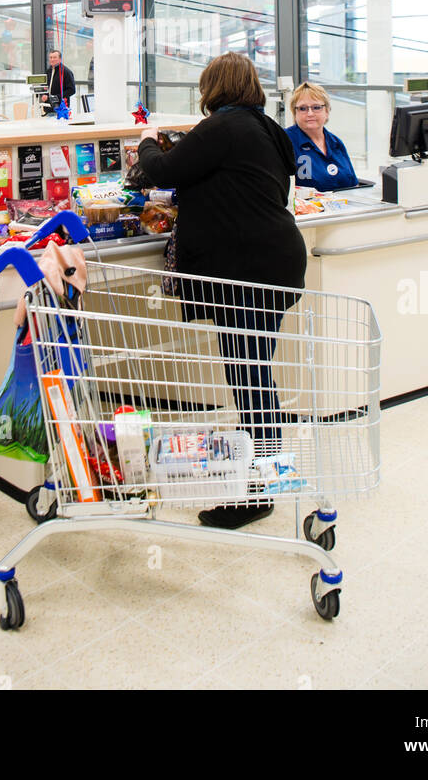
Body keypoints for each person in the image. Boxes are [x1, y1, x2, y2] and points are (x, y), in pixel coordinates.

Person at [137, 51, 306, 531]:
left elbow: (163, 172)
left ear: (214, 89)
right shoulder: (268, 128)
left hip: (247, 272)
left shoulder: (223, 127)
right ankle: (265, 473)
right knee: (255, 374)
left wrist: (148, 141)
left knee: (249, 379)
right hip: (276, 261)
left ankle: (258, 491)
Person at [285, 82, 358, 192]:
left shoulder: (336, 143)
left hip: (343, 207)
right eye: (303, 108)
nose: (310, 113)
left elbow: (353, 184)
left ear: (327, 111)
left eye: (316, 107)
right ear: (294, 113)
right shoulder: (285, 141)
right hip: (305, 208)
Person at [41, 49, 75, 115]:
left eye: (54, 57)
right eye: (51, 57)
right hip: (48, 108)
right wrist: (44, 95)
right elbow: (44, 87)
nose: (52, 59)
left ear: (60, 59)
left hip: (61, 108)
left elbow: (72, 90)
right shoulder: (48, 71)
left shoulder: (66, 72)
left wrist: (55, 97)